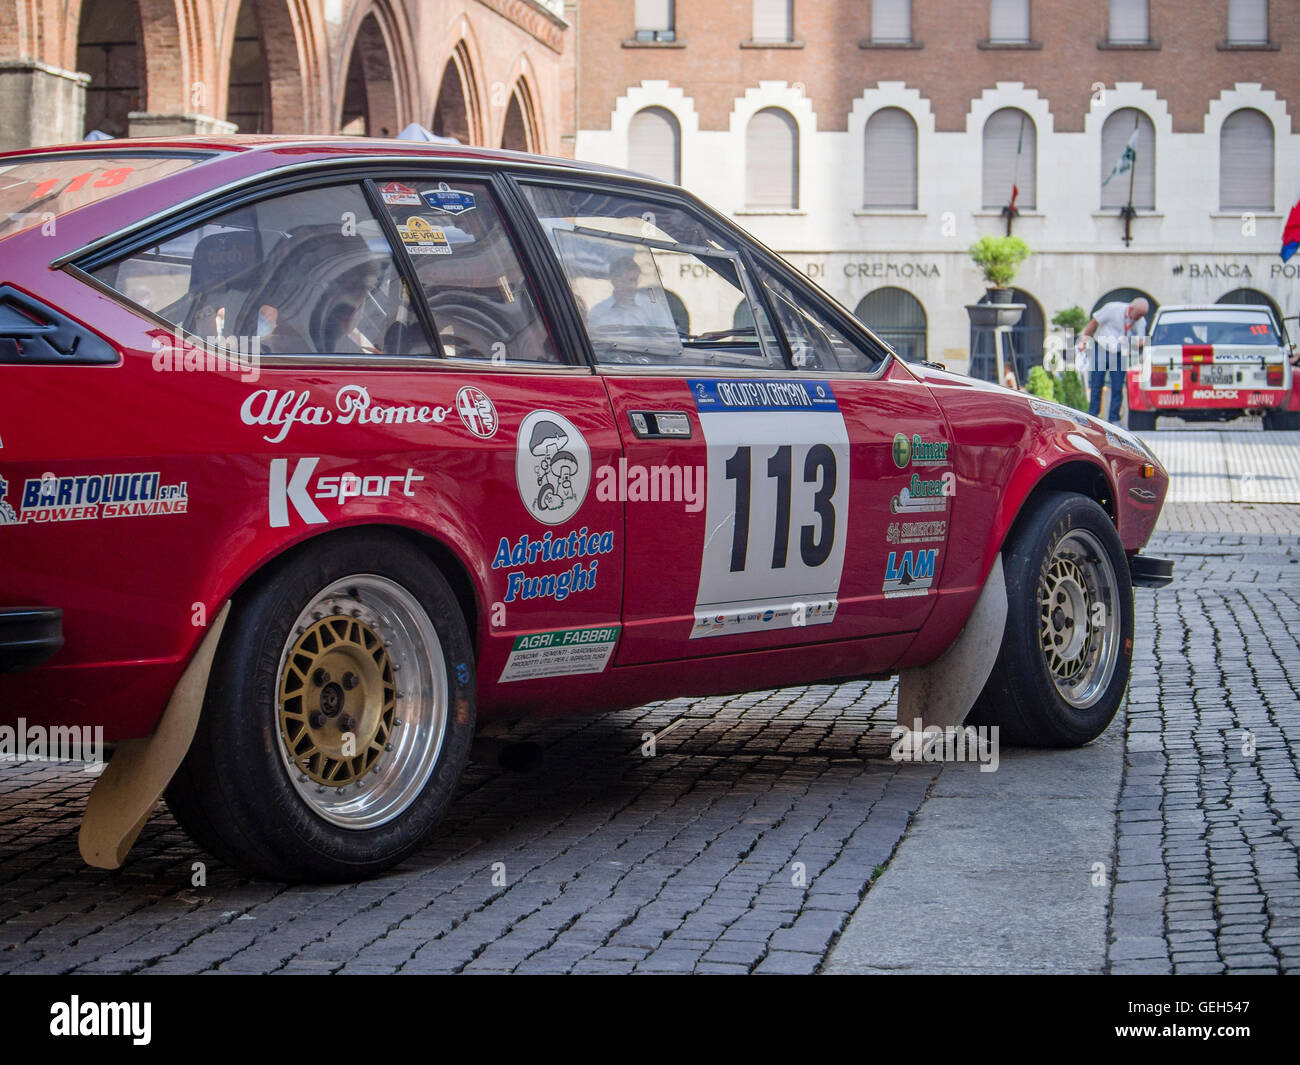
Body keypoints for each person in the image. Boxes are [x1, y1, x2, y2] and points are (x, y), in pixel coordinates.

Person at [1078, 297, 1148, 423]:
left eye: (1140, 316)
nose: (1137, 318)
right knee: (1097, 384)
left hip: (1119, 352)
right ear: (1131, 308)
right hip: (1102, 347)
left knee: (1117, 386)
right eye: (1137, 315)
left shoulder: (1140, 321)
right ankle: (1093, 416)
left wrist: (1137, 342)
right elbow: (1094, 322)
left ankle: (1113, 418)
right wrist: (1083, 340)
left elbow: (1141, 340)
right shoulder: (1112, 308)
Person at [587, 255, 676, 331]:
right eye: (630, 281)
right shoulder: (598, 312)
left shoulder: (652, 307)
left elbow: (667, 340)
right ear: (614, 280)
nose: (633, 286)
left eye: (636, 280)